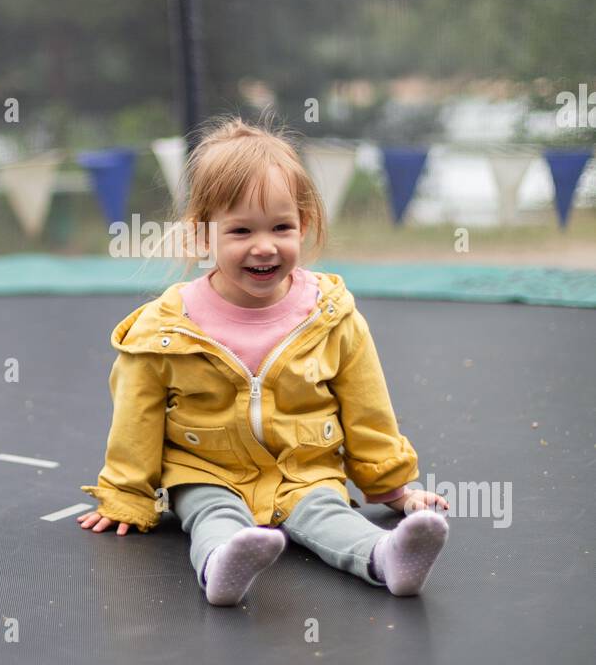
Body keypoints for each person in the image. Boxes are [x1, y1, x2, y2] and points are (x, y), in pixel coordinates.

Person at [78, 113, 449, 605]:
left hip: (303, 468)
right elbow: (135, 416)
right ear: (201, 236)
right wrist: (126, 496)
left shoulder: (330, 316)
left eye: (281, 227)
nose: (264, 247)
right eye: (240, 231)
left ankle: (387, 559)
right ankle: (223, 564)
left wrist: (396, 488)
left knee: (331, 514)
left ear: (305, 226)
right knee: (212, 515)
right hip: (206, 469)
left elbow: (367, 408)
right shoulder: (165, 329)